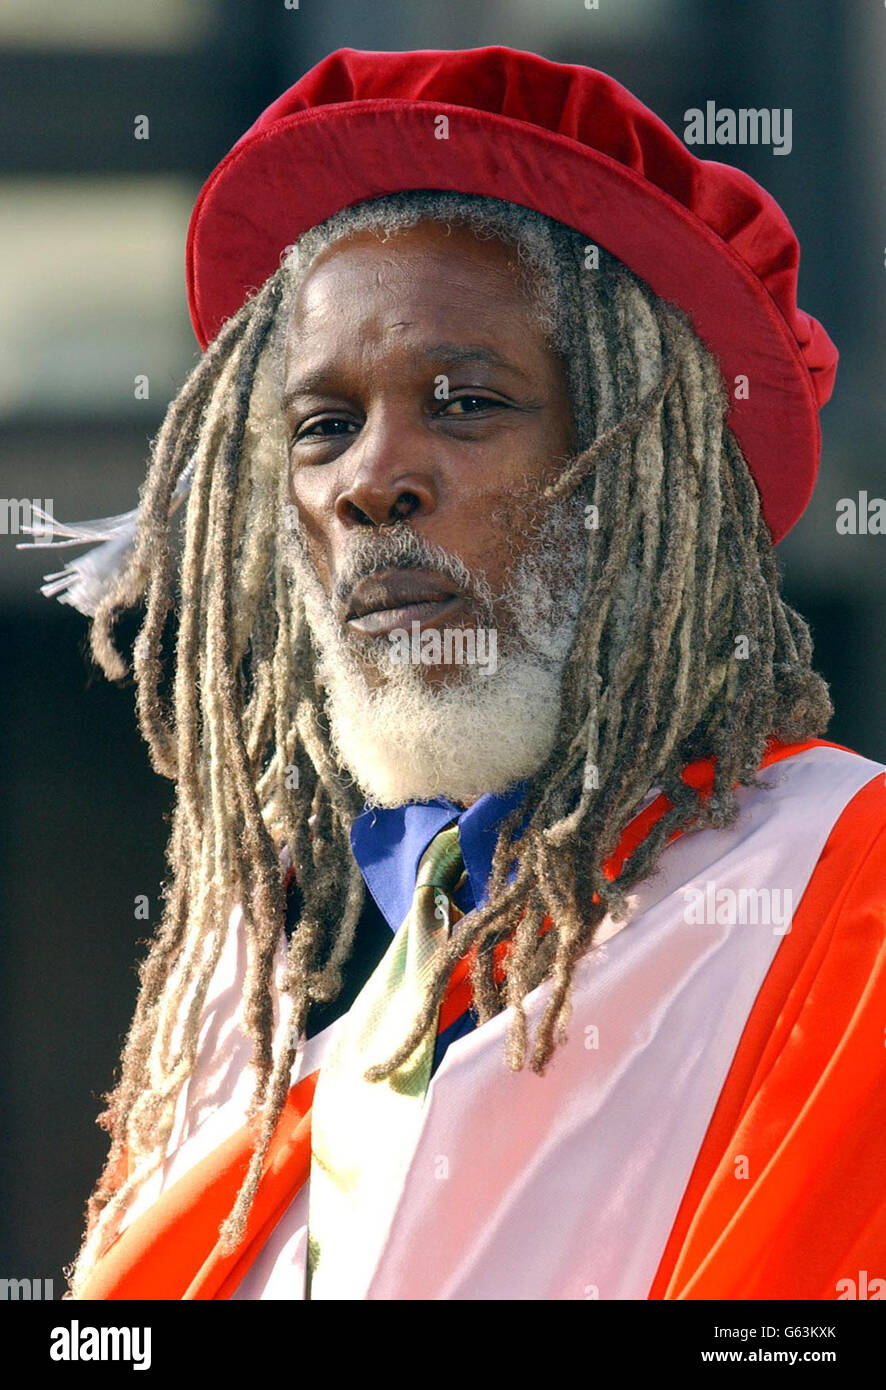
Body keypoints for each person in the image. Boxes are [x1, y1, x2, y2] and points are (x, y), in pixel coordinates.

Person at [24, 47, 886, 1301]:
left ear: (644, 478)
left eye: (468, 403)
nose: (373, 481)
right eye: (322, 427)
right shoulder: (252, 1039)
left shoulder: (837, 885)